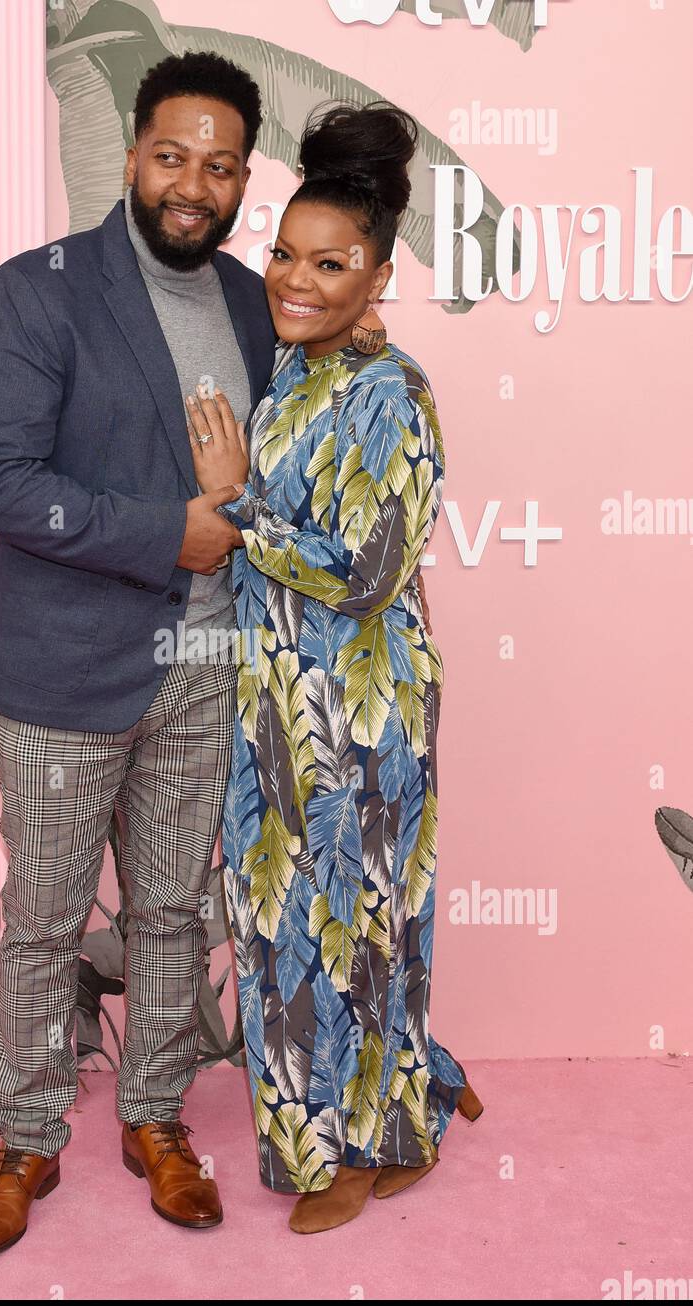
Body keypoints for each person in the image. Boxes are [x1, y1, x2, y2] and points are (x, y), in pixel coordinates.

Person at [0, 51, 276, 1259]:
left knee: (172, 915)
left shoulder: (250, 303)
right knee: (41, 918)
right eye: (174, 155)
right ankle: (25, 1137)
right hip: (61, 673)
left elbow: (267, 478)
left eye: (221, 164)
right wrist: (168, 532)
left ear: (245, 177)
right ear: (133, 152)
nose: (195, 184)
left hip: (205, 667)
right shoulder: (39, 290)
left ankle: (154, 1120)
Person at [184, 100, 483, 1235]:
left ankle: (364, 1148)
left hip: (361, 705)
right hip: (270, 697)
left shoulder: (391, 392)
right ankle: (374, 1119)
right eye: (286, 254)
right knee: (276, 920)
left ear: (376, 275)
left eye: (331, 264)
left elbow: (362, 569)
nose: (295, 280)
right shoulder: (300, 372)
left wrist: (235, 502)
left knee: (359, 928)